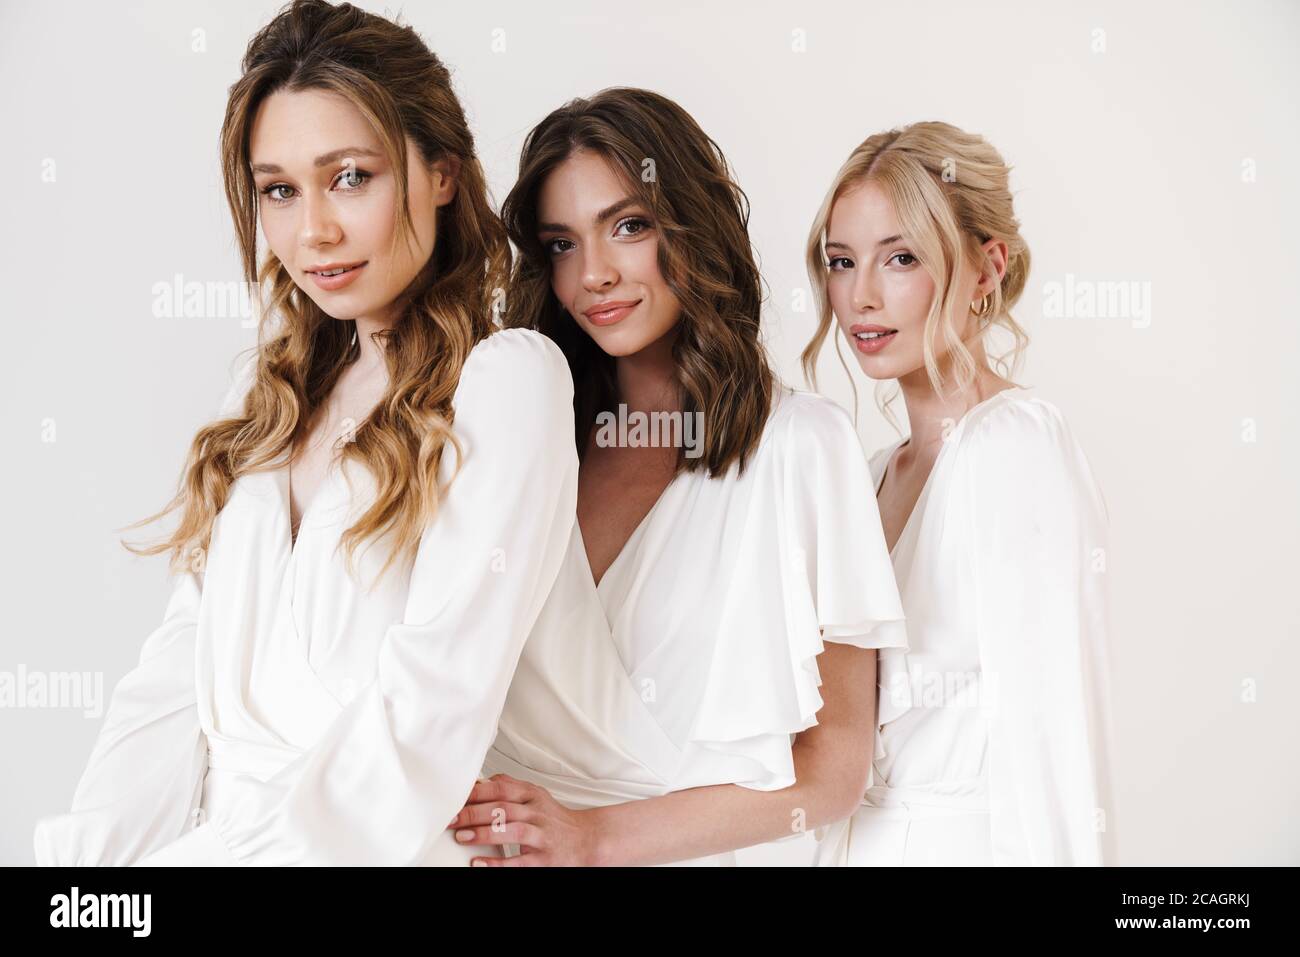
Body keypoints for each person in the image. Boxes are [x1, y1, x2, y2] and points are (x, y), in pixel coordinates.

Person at [33, 0, 577, 866]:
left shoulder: (508, 383)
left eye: (350, 176)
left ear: (441, 171)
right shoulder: (265, 393)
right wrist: (84, 878)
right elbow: (172, 687)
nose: (312, 230)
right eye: (278, 189)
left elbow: (424, 722)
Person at [450, 88, 906, 866]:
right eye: (562, 244)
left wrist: (594, 838)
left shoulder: (800, 446)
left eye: (628, 226)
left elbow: (834, 773)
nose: (593, 274)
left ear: (690, 225)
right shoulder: (528, 446)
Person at [802, 121, 1114, 865]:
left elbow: (1056, 738)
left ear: (987, 269)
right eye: (842, 262)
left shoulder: (1014, 446)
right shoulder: (875, 472)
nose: (861, 296)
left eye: (900, 258)